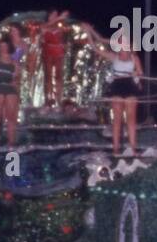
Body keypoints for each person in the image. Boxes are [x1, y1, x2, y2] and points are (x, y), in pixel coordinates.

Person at [83, 23, 144, 156]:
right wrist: (88, 32)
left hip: (130, 87)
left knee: (131, 120)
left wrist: (136, 74)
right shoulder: (113, 56)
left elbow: (140, 72)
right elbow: (94, 47)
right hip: (117, 86)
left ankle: (133, 149)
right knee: (117, 120)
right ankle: (116, 150)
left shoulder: (134, 57)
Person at [41, 10, 70, 107]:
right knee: (48, 76)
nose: (55, 16)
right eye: (53, 14)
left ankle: (59, 99)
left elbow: (65, 37)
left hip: (59, 52)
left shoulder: (60, 25)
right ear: (49, 16)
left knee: (59, 77)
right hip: (48, 51)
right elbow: (44, 29)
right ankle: (49, 99)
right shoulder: (45, 25)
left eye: (56, 15)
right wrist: (59, 18)